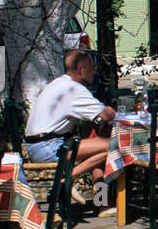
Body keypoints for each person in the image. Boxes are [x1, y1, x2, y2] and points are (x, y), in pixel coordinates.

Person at [23, 49, 115, 184]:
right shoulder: (74, 89)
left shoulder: (57, 83)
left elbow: (94, 117)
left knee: (94, 138)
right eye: (91, 69)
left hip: (38, 145)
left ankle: (100, 198)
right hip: (48, 147)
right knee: (115, 145)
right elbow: (106, 115)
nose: (94, 73)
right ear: (80, 69)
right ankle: (69, 179)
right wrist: (110, 110)